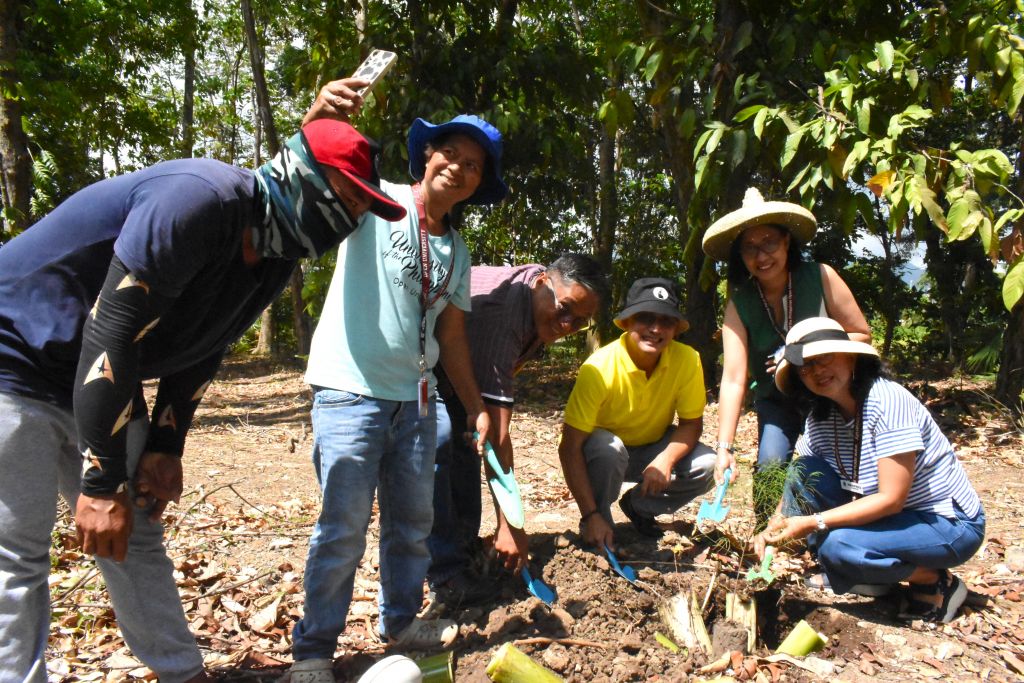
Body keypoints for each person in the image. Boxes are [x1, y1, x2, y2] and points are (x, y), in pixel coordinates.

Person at [0, 77, 402, 683]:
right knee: (18, 553)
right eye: (345, 199)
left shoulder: (273, 255)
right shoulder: (198, 201)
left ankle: (184, 675)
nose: (348, 220)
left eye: (359, 212)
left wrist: (164, 444)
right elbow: (112, 331)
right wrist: (102, 479)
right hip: (19, 350)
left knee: (135, 534)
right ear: (301, 175)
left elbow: (201, 345)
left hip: (103, 375)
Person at [288, 97, 508, 680]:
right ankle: (313, 651)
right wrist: (316, 114)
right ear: (427, 156)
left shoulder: (456, 250)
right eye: (450, 154)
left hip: (416, 400)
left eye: (473, 165)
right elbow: (312, 171)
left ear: (478, 185)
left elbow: (452, 336)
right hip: (349, 390)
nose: (458, 168)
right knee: (343, 524)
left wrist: (477, 408)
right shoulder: (375, 202)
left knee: (413, 523)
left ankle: (401, 621)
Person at [752, 317, 985, 623]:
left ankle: (933, 579)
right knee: (805, 471)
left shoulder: (886, 401)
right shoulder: (821, 416)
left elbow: (892, 499)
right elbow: (800, 475)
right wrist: (774, 525)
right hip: (889, 518)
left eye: (823, 359)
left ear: (850, 357)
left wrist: (812, 522)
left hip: (945, 521)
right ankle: (869, 572)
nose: (817, 372)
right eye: (805, 368)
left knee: (836, 546)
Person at [426, 253, 609, 608]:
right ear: (543, 283)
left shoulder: (538, 306)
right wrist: (511, 525)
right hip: (417, 367)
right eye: (565, 308)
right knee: (442, 445)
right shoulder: (505, 314)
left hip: (455, 373)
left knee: (467, 445)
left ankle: (465, 554)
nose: (567, 324)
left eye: (580, 321)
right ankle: (444, 573)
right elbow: (498, 435)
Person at [701, 187, 870, 523]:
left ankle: (826, 532)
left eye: (769, 242)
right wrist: (724, 449)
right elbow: (734, 378)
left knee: (829, 468)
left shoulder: (821, 277)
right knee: (770, 466)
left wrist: (802, 352)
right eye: (750, 247)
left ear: (787, 241)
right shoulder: (740, 303)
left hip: (829, 394)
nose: (762, 255)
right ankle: (767, 536)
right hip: (776, 400)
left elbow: (861, 334)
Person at [557, 278, 716, 549]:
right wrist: (590, 513)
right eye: (645, 318)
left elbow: (691, 424)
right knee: (610, 448)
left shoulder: (688, 359)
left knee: (707, 464)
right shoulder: (599, 368)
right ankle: (598, 523)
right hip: (602, 455)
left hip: (652, 447)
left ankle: (640, 506)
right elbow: (570, 447)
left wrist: (665, 460)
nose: (655, 329)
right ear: (627, 321)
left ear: (676, 329)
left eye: (666, 321)